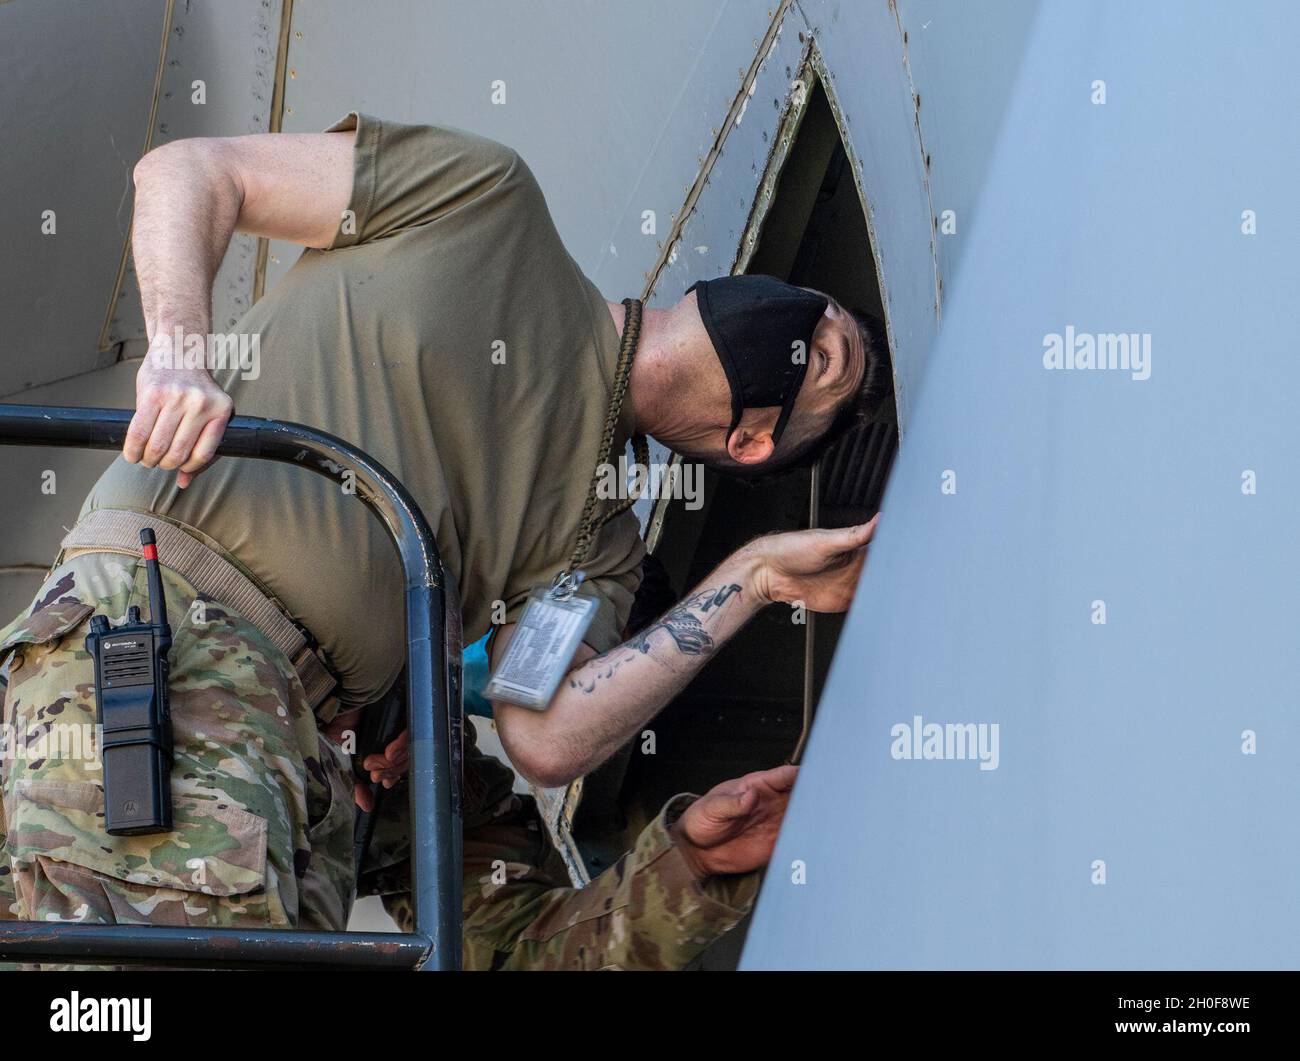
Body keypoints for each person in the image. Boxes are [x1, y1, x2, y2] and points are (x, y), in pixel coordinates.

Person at [0, 114, 891, 967]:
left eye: (823, 355)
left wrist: (754, 575)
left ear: (751, 442)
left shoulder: (595, 546)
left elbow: (545, 737)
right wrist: (177, 355)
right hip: (158, 641)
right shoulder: (487, 197)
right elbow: (188, 171)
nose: (804, 319)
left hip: (278, 746)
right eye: (812, 309)